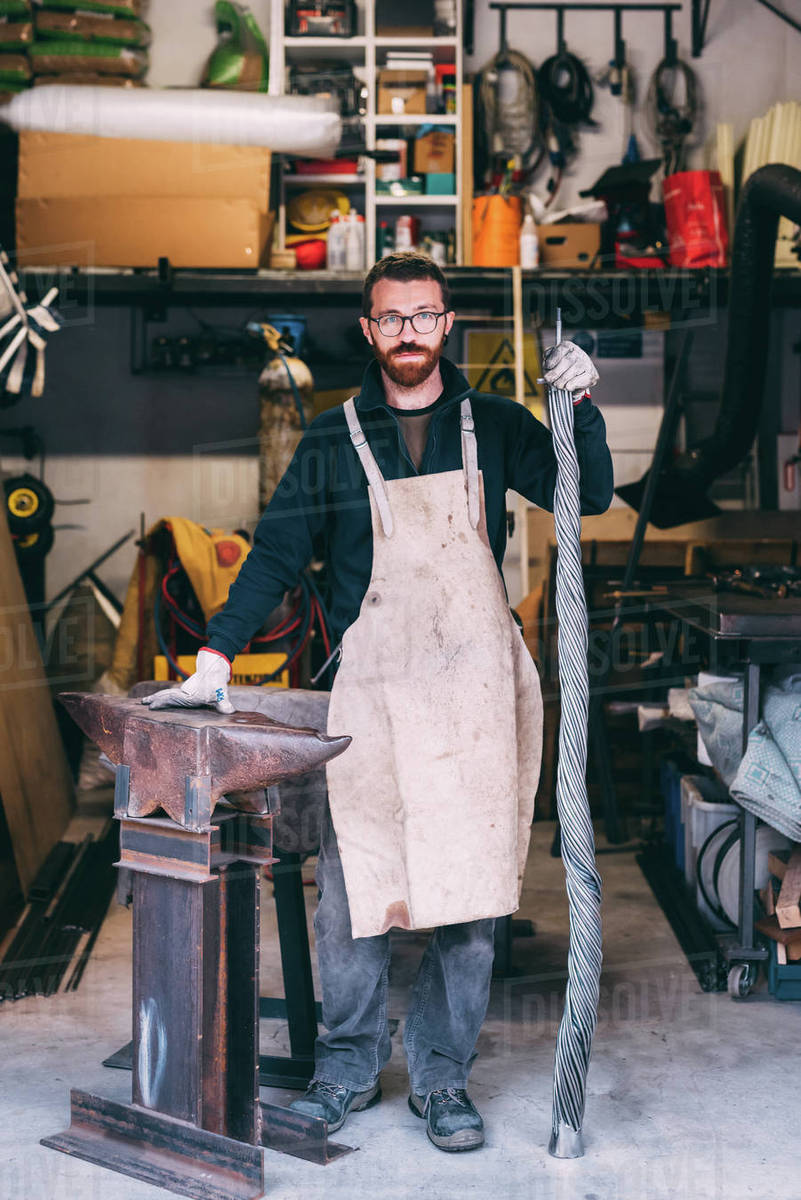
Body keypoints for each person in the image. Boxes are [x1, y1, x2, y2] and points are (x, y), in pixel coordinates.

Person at [143, 252, 613, 1152]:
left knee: (471, 898)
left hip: (477, 696)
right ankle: (344, 1070)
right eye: (390, 318)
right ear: (368, 329)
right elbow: (276, 555)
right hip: (374, 696)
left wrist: (579, 411)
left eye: (424, 316)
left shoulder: (500, 424)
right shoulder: (332, 438)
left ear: (446, 325)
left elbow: (585, 494)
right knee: (353, 891)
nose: (407, 333)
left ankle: (442, 1079)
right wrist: (213, 656)